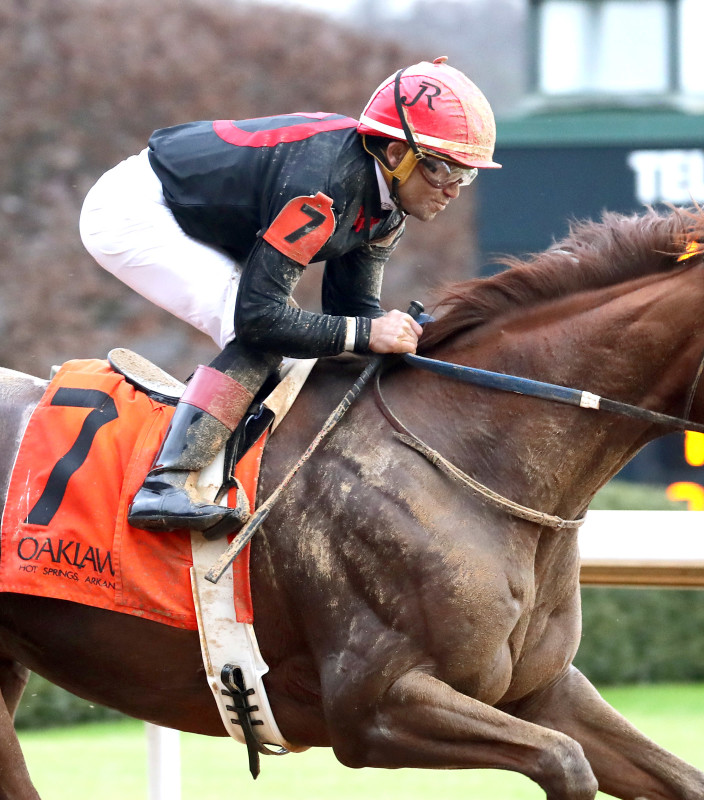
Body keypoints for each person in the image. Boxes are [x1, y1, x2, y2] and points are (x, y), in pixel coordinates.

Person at [79, 57, 500, 538]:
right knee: (259, 336)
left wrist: (386, 336)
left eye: (465, 174)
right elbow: (260, 319)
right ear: (392, 152)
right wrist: (369, 332)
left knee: (327, 337)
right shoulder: (322, 187)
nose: (452, 190)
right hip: (136, 211)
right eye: (443, 167)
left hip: (199, 216)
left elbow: (351, 313)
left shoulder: (390, 203)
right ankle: (164, 484)